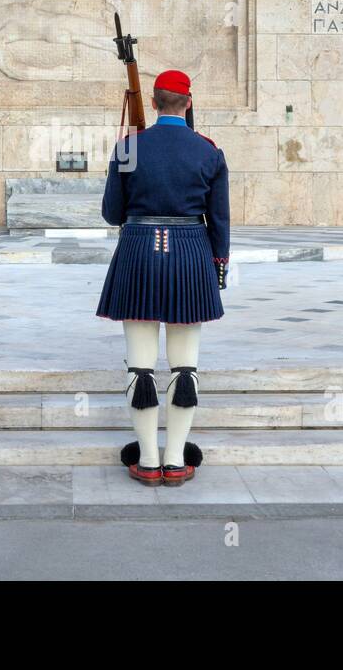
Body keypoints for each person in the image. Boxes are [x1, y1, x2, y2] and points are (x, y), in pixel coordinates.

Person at [96, 70, 230, 487]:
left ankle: (148, 461)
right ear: (187, 105)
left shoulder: (129, 148)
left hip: (138, 251)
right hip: (190, 253)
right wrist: (217, 263)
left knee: (140, 368)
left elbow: (112, 214)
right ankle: (176, 461)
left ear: (153, 104)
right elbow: (220, 220)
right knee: (184, 367)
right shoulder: (208, 151)